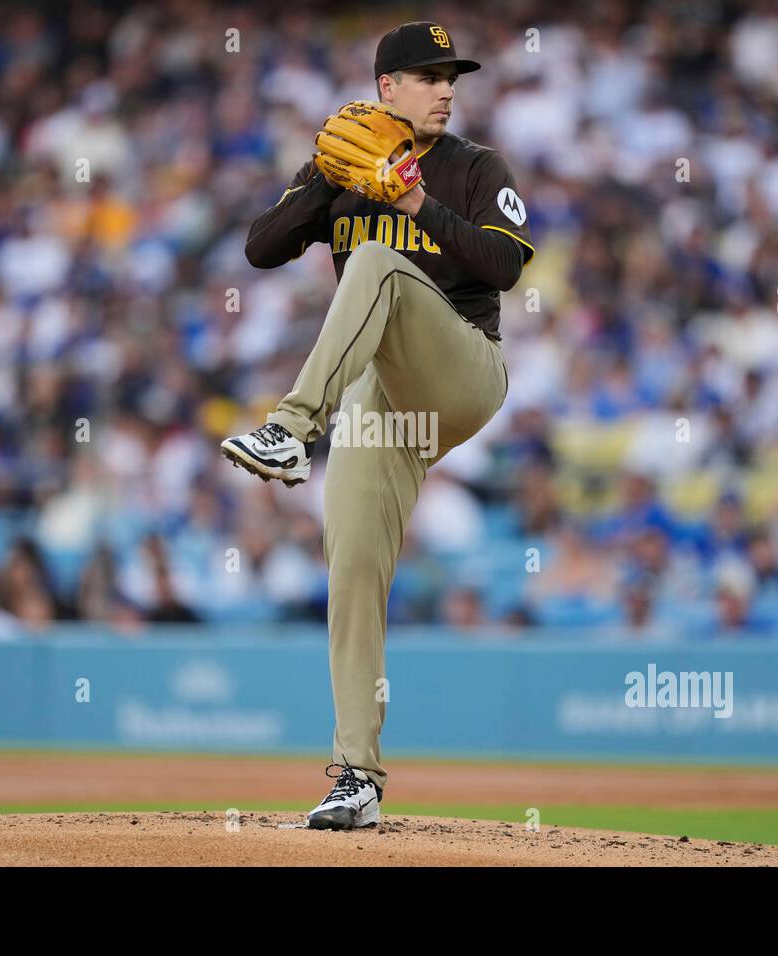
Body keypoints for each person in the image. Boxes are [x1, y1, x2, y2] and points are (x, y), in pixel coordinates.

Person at [221, 21, 533, 829]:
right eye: (428, 76)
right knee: (353, 567)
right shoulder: (344, 162)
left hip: (463, 369)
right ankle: (356, 777)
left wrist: (415, 199)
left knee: (375, 263)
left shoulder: (472, 167)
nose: (445, 88)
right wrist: (323, 184)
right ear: (385, 88)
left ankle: (290, 429)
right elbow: (261, 249)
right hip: (376, 401)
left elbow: (504, 265)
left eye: (450, 75)